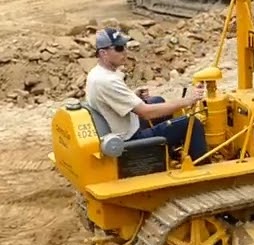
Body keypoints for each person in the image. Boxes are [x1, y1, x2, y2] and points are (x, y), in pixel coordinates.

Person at [85, 27, 208, 162]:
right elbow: (146, 113)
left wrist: (133, 96)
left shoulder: (97, 73)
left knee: (157, 100)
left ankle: (170, 154)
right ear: (103, 53)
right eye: (119, 48)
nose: (125, 52)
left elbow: (112, 99)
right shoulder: (107, 81)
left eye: (125, 46)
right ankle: (203, 168)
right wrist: (187, 100)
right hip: (129, 140)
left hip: (117, 126)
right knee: (191, 122)